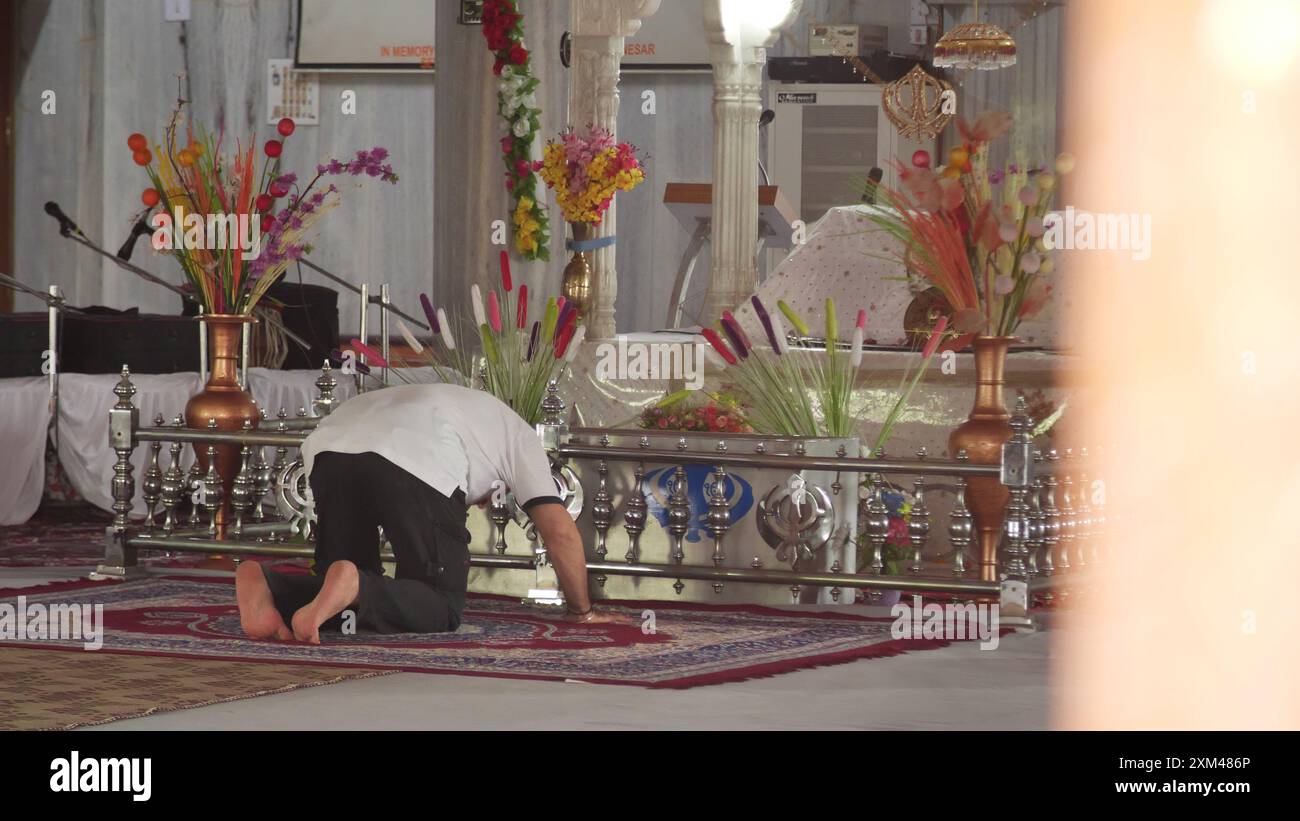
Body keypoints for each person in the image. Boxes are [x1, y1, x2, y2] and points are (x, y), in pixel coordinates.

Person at [235, 382, 620, 643]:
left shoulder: (467, 410)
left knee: (337, 601)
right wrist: (580, 610)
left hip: (329, 448)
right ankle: (356, 582)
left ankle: (270, 585)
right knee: (439, 605)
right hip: (415, 452)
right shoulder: (521, 437)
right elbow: (559, 531)